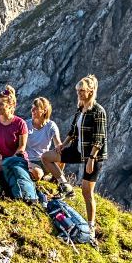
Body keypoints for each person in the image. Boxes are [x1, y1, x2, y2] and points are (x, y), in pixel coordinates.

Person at [41, 75, 108, 231]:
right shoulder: (81, 108)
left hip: (93, 155)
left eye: (82, 91)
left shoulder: (98, 111)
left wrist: (91, 159)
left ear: (90, 91)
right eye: (78, 91)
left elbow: (99, 138)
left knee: (86, 191)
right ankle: (64, 185)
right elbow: (73, 131)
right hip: (78, 150)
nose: (79, 93)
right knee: (47, 157)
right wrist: (63, 145)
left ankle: (91, 226)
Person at [0, 86, 39, 202]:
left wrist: (12, 159)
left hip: (15, 159)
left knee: (37, 173)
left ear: (10, 106)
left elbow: (22, 147)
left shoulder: (20, 123)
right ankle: (3, 170)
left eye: (1, 104)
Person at [24, 97, 60, 182]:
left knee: (62, 157)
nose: (32, 110)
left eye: (36, 108)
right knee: (38, 173)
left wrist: (60, 148)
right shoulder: (26, 125)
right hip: (30, 161)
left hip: (44, 160)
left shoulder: (51, 125)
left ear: (44, 110)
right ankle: (38, 175)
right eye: (32, 108)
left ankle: (55, 180)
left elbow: (57, 143)